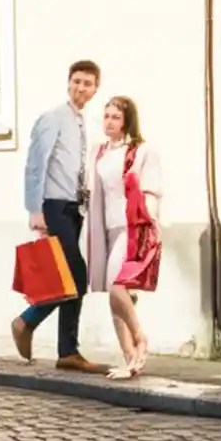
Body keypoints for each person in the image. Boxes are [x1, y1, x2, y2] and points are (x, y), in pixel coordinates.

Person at [11, 60, 107, 374]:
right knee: (76, 276)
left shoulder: (87, 123)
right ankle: (28, 322)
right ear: (68, 83)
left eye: (88, 83)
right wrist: (35, 209)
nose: (81, 88)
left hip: (73, 208)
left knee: (69, 278)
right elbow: (35, 164)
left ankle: (67, 350)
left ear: (95, 89)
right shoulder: (53, 118)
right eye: (77, 81)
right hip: (52, 206)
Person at [85, 95, 162, 379]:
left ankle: (141, 338)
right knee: (114, 296)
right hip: (107, 229)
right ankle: (131, 360)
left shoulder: (141, 151)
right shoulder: (99, 152)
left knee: (119, 287)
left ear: (127, 120)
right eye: (106, 116)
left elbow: (151, 189)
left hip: (132, 227)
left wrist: (151, 225)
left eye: (116, 117)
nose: (109, 122)